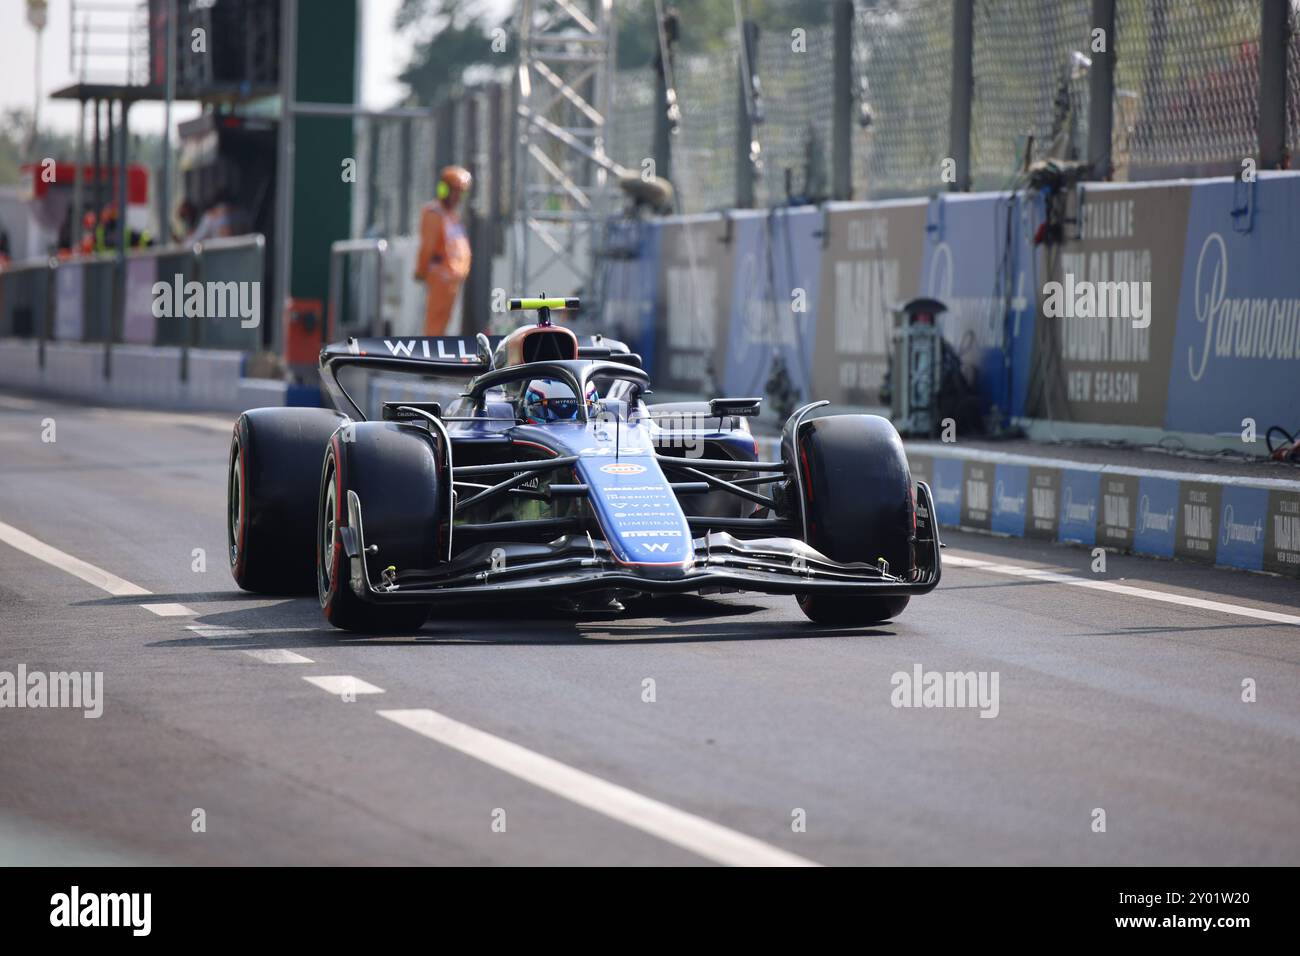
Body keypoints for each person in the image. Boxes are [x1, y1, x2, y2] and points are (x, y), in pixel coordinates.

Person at [414, 165, 472, 336]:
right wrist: (421, 271)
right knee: (435, 324)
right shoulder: (434, 213)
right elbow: (428, 247)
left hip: (452, 279)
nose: (457, 197)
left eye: (460, 192)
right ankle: (429, 357)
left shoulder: (452, 216)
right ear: (444, 189)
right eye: (454, 191)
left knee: (445, 324)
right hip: (441, 277)